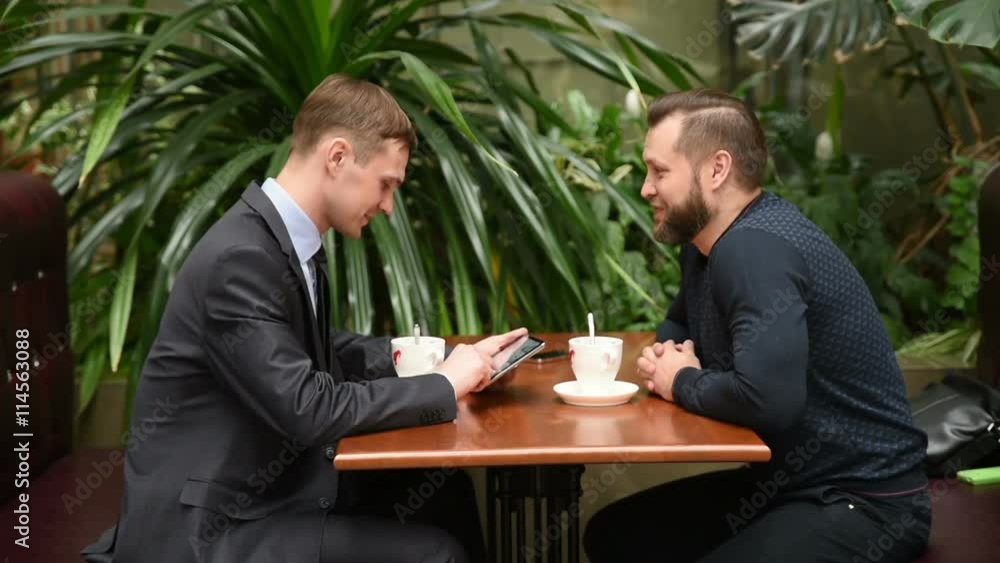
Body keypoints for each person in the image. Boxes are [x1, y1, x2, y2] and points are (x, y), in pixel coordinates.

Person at [83, 74, 526, 563]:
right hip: (210, 526)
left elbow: (321, 350)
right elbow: (309, 410)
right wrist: (443, 385)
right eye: (386, 184)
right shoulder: (240, 258)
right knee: (435, 554)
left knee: (447, 491)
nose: (388, 206)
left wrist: (444, 358)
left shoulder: (283, 241)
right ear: (337, 157)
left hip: (264, 492)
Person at [583, 89, 931, 563]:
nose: (646, 187)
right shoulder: (706, 241)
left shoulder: (754, 250)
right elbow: (677, 320)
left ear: (717, 169)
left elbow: (768, 400)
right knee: (617, 533)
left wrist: (681, 379)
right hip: (785, 483)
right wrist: (671, 356)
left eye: (660, 171)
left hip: (865, 501)